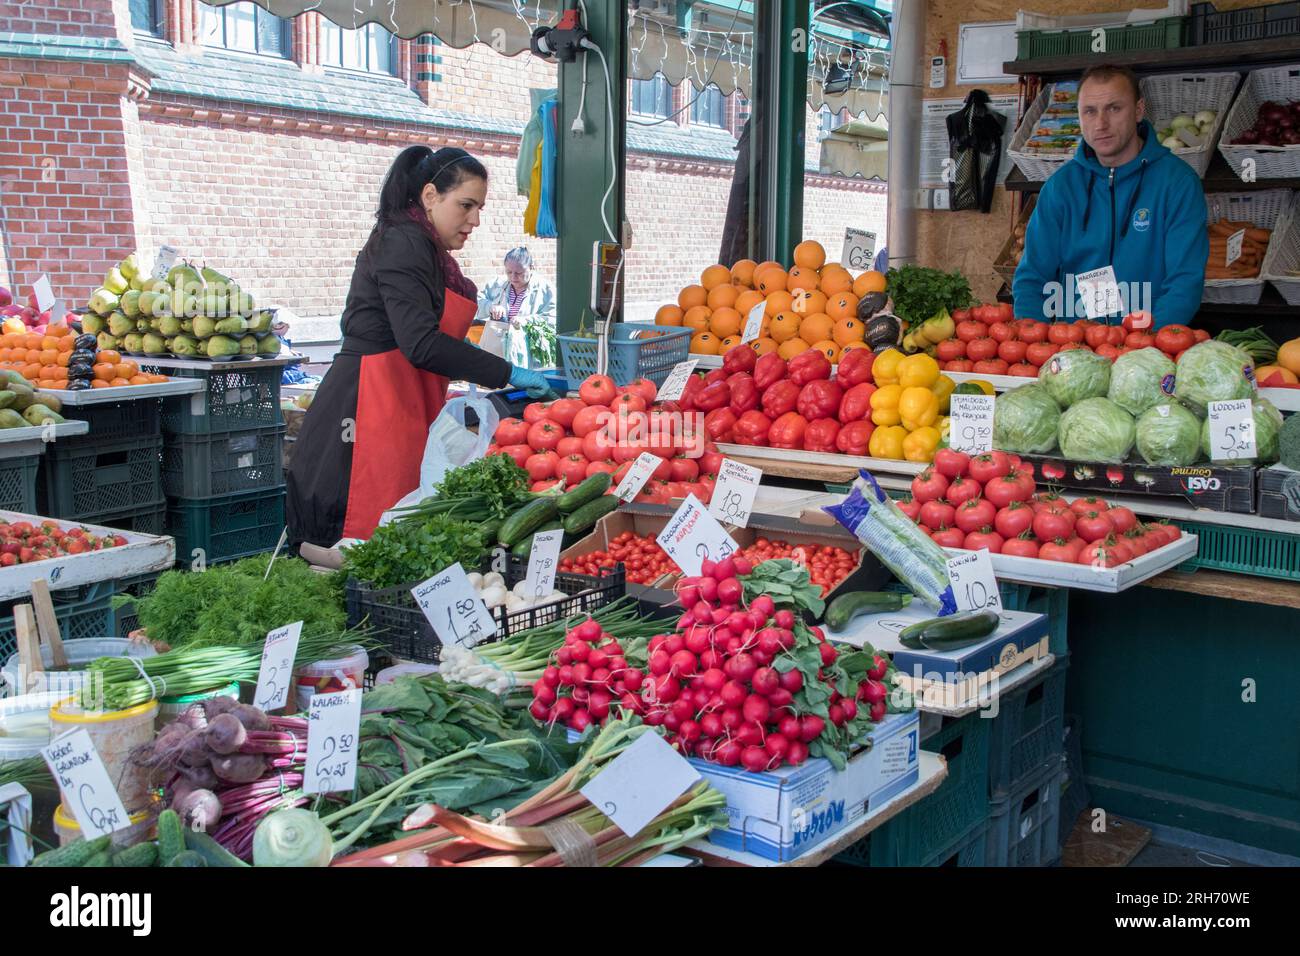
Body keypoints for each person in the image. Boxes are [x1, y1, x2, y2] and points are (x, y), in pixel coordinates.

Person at [286, 145, 550, 547]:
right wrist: (508, 373)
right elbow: (421, 343)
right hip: (368, 408)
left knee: (394, 533)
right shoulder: (403, 243)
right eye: (465, 205)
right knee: (364, 542)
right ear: (430, 196)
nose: (475, 220)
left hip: (402, 401)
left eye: (479, 208)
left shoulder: (423, 246)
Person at [1012, 64, 1207, 330]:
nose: (1101, 124)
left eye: (1114, 108)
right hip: (1076, 346)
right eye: (1089, 111)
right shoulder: (1061, 187)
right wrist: (1032, 342)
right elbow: (1032, 278)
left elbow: (1185, 282)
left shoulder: (1177, 183)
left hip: (1148, 347)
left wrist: (1145, 341)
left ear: (1139, 111)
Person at [474, 247, 556, 368]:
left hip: (529, 357)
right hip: (497, 351)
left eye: (519, 273)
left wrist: (526, 321)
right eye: (509, 272)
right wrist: (490, 306)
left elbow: (553, 320)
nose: (513, 277)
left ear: (531, 268)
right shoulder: (497, 284)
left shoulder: (546, 289)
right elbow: (475, 301)